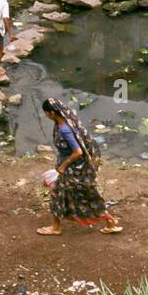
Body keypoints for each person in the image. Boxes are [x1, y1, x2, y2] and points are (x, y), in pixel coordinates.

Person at [38, 97, 121, 236]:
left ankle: (56, 227)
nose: (46, 116)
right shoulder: (67, 119)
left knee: (59, 195)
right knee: (83, 196)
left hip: (73, 169)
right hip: (76, 167)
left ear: (51, 113)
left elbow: (78, 151)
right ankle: (111, 222)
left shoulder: (64, 129)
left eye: (46, 113)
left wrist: (63, 166)